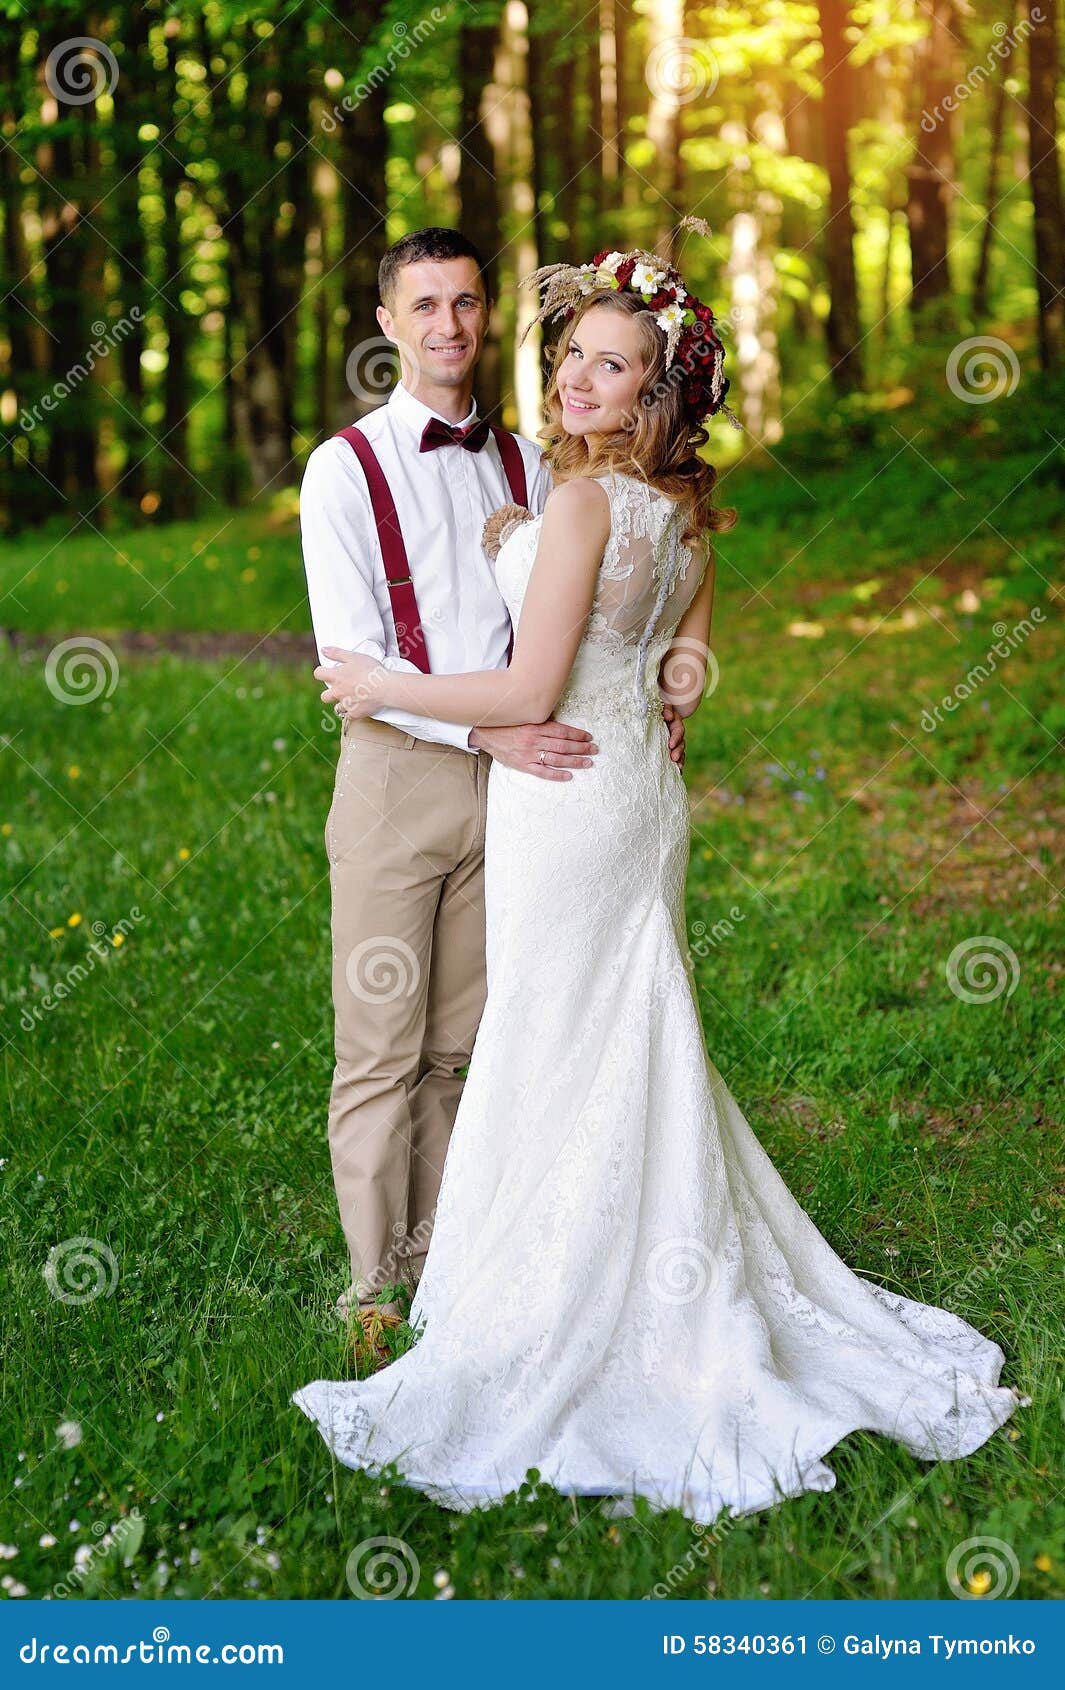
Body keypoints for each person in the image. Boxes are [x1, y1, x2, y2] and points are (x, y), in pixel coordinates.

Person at [292, 222, 1029, 1524]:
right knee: (601, 1030)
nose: (577, 377)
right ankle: (450, 1273)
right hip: (622, 793)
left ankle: (538, 1296)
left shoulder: (572, 493)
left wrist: (378, 680)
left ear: (656, 387)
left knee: (541, 1031)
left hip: (558, 791)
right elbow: (685, 664)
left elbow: (533, 683)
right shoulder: (682, 510)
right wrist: (654, 700)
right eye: (573, 354)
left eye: (611, 363)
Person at [299, 226, 688, 1323]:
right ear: (388, 323)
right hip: (400, 782)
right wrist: (488, 735)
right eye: (424, 305)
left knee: (468, 1046)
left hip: (533, 795)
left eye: (466, 302)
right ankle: (376, 1294)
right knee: (379, 1050)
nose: (449, 325)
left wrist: (652, 697)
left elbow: (595, 613)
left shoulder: (536, 461)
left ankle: (453, 1277)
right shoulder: (344, 468)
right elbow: (349, 665)